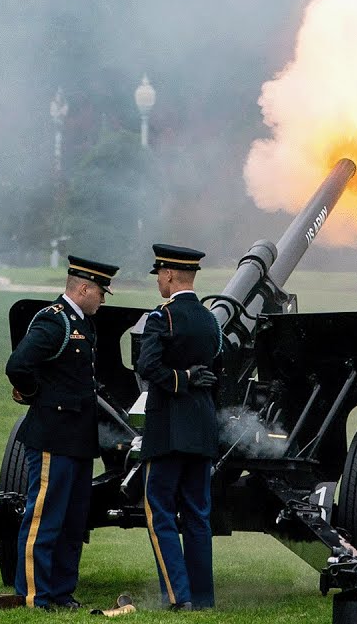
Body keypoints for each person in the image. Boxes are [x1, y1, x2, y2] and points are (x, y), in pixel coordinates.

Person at [5, 255, 119, 610]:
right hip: (54, 436)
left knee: (73, 521)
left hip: (80, 438)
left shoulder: (84, 322)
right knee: (44, 518)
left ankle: (62, 592)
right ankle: (35, 595)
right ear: (83, 288)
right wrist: (35, 394)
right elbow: (19, 365)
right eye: (100, 291)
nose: (102, 298)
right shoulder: (55, 322)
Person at [135, 244, 221, 611]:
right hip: (202, 429)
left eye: (159, 275)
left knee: (161, 512)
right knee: (199, 516)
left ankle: (177, 596)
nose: (159, 281)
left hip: (168, 430)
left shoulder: (162, 318)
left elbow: (146, 366)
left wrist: (179, 378)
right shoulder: (209, 320)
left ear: (169, 275)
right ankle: (202, 598)